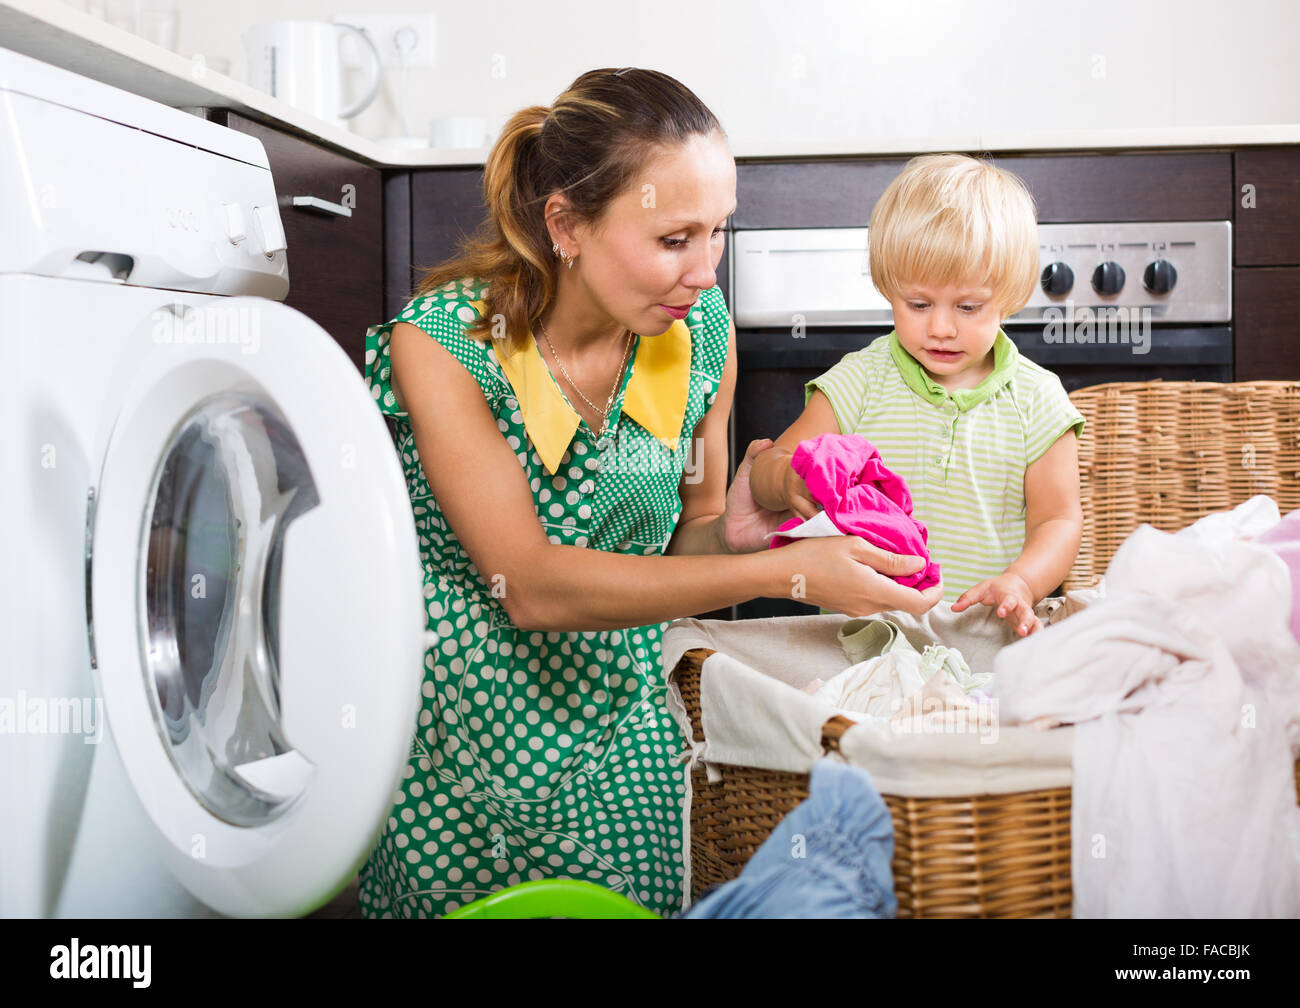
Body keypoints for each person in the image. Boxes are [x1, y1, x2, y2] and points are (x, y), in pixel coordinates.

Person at [356, 68, 944, 918]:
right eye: (675, 239)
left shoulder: (698, 336)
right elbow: (526, 583)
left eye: (717, 234)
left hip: (621, 721)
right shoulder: (444, 343)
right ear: (566, 225)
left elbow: (688, 543)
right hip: (460, 738)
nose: (705, 272)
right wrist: (786, 575)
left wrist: (744, 536)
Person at [750, 153, 1085, 638]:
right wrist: (787, 480)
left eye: (968, 307)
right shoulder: (860, 381)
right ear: (889, 288)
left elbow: (1058, 521)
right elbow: (770, 468)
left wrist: (1022, 582)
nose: (941, 328)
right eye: (919, 304)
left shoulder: (1038, 400)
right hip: (864, 638)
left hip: (987, 639)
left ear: (1010, 295)